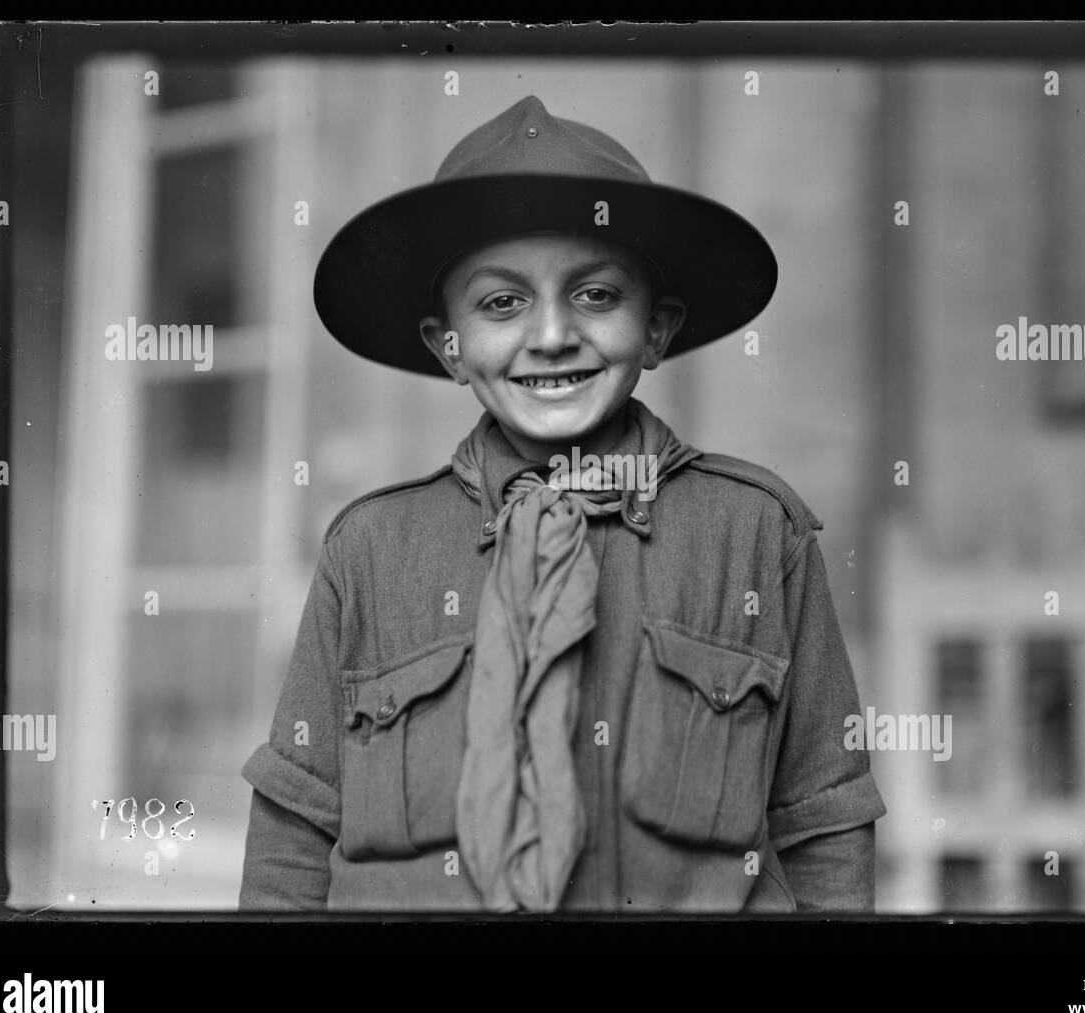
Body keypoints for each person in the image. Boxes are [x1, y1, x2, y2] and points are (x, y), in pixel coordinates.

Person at [239, 95, 886, 913]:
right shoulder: (370, 550)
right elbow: (294, 840)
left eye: (596, 295)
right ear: (450, 346)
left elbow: (823, 823)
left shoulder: (755, 533)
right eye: (502, 302)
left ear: (657, 330)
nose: (550, 335)